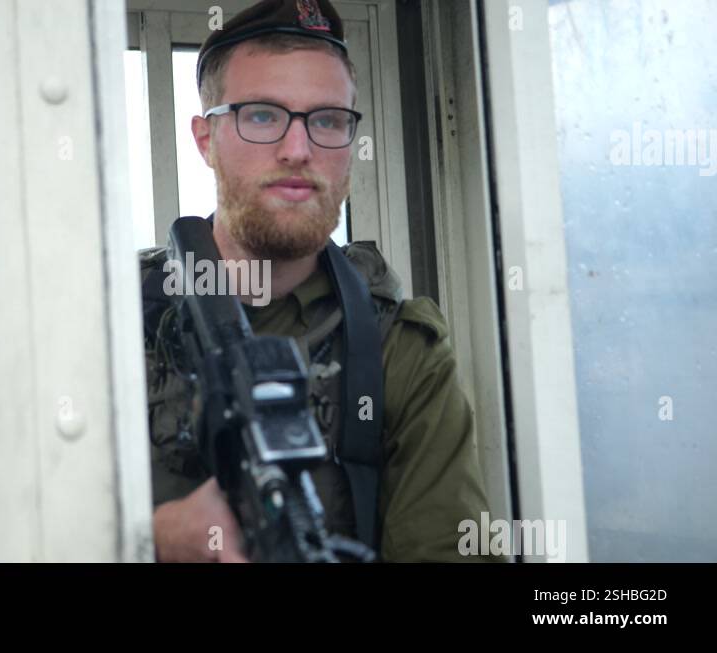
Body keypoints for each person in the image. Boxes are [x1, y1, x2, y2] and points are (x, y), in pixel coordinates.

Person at [141, 0, 497, 562]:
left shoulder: (398, 351)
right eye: (262, 115)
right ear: (206, 140)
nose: (298, 150)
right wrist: (148, 539)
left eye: (327, 120)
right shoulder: (106, 318)